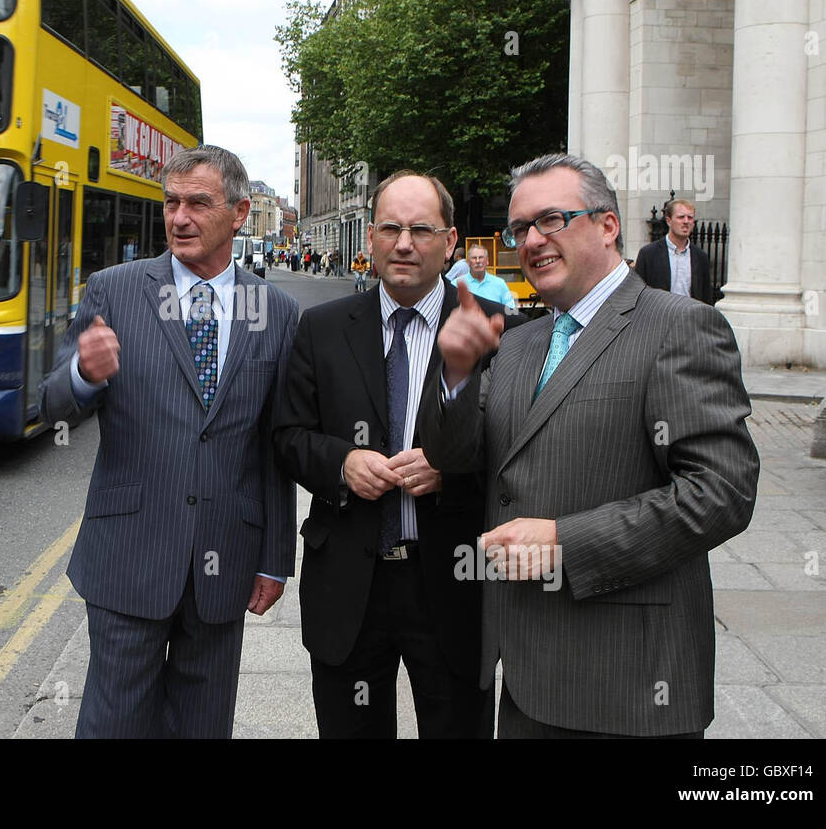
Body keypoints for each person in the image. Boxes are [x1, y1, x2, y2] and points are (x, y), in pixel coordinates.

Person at [426, 153, 759, 738]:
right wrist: (454, 373)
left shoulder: (679, 327)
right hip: (525, 679)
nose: (531, 240)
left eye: (551, 219)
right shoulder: (519, 343)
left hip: (627, 686)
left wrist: (563, 542)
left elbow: (720, 493)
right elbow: (455, 459)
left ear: (608, 226)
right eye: (520, 228)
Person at [39, 144, 299, 739]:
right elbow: (51, 401)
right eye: (171, 202)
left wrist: (274, 560)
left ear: (238, 214)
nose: (179, 218)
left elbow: (273, 448)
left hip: (225, 561)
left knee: (203, 726)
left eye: (197, 204)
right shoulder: (114, 291)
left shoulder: (275, 311)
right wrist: (83, 373)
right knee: (114, 723)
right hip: (128, 556)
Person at [274, 171, 518, 739]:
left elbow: (516, 450)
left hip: (453, 581)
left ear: (451, 241)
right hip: (350, 587)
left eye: (420, 229)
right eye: (390, 228)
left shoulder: (497, 329)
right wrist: (341, 464)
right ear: (371, 240)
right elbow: (287, 435)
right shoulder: (322, 329)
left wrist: (450, 469)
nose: (403, 243)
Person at [633, 198, 713, 304]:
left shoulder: (700, 257)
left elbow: (706, 296)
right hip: (659, 316)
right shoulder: (648, 254)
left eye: (690, 218)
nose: (686, 221)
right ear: (669, 221)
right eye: (681, 217)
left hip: (690, 317)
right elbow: (637, 293)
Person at [461, 244, 517, 312]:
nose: (478, 261)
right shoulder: (457, 284)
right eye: (474, 258)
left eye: (481, 257)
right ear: (468, 262)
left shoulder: (500, 284)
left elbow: (511, 312)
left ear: (487, 261)